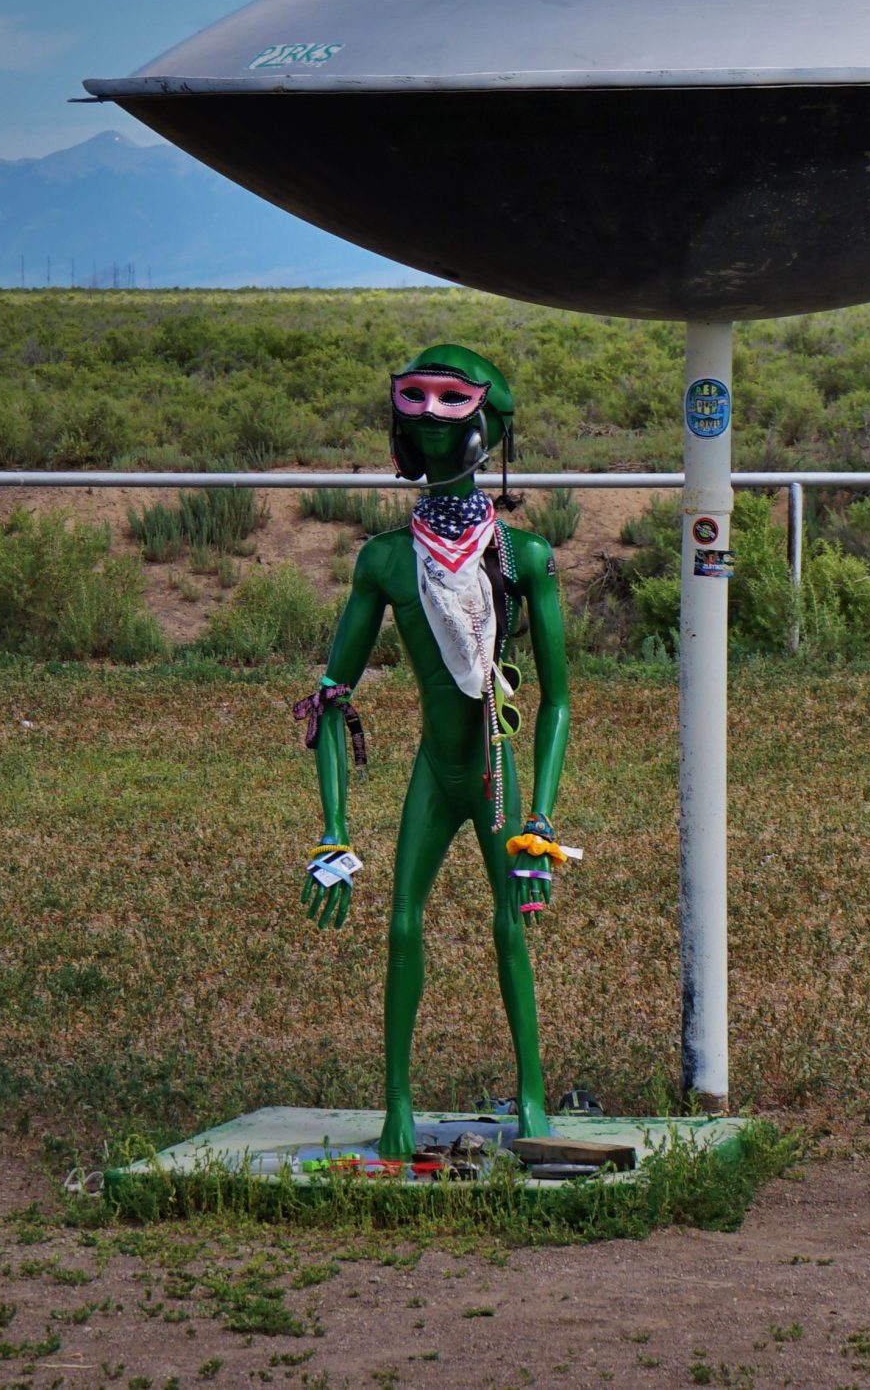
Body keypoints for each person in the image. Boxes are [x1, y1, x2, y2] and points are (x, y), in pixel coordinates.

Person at [294, 345, 575, 1159]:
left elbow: (557, 698)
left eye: (451, 404)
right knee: (403, 924)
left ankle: (531, 1094)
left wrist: (540, 822)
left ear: (484, 427)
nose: (431, 421)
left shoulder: (522, 558)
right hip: (435, 767)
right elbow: (332, 696)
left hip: (493, 773)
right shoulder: (386, 560)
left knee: (509, 925)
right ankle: (398, 1104)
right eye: (415, 404)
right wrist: (333, 831)